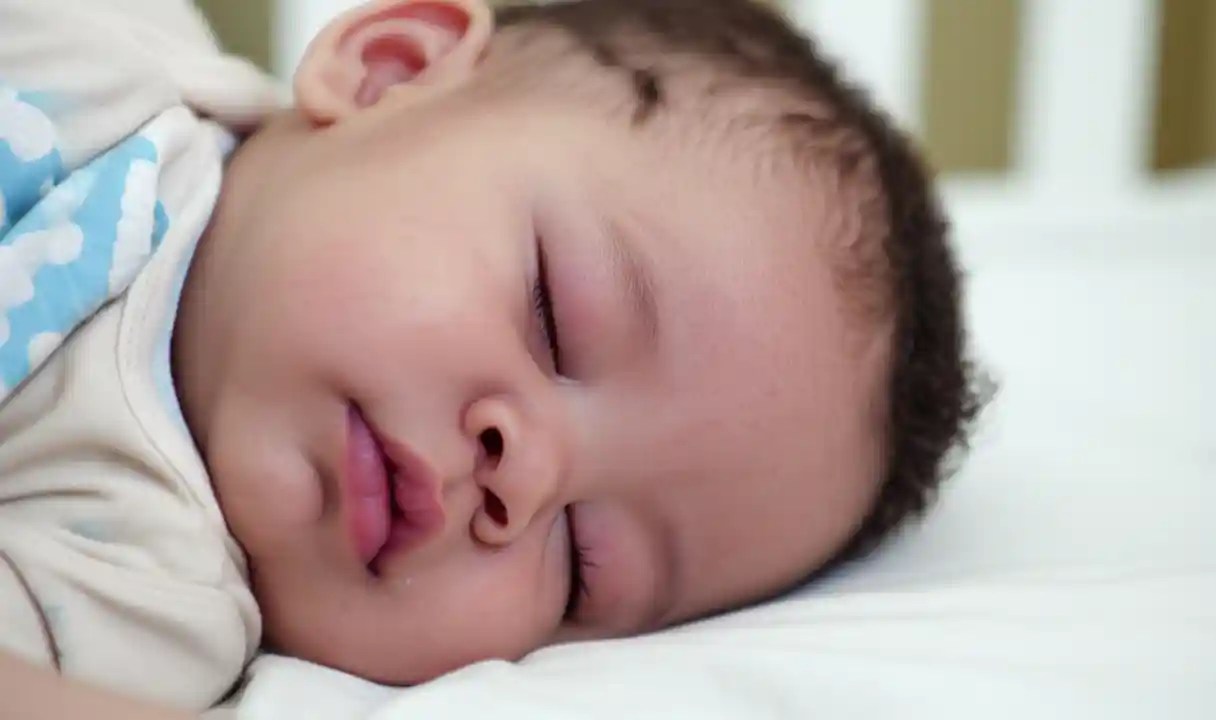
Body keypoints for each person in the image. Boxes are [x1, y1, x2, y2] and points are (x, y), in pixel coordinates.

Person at [0, 0, 981, 715]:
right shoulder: (96, 42)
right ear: (388, 71)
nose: (530, 474)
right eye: (557, 317)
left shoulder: (138, 599)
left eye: (584, 570)